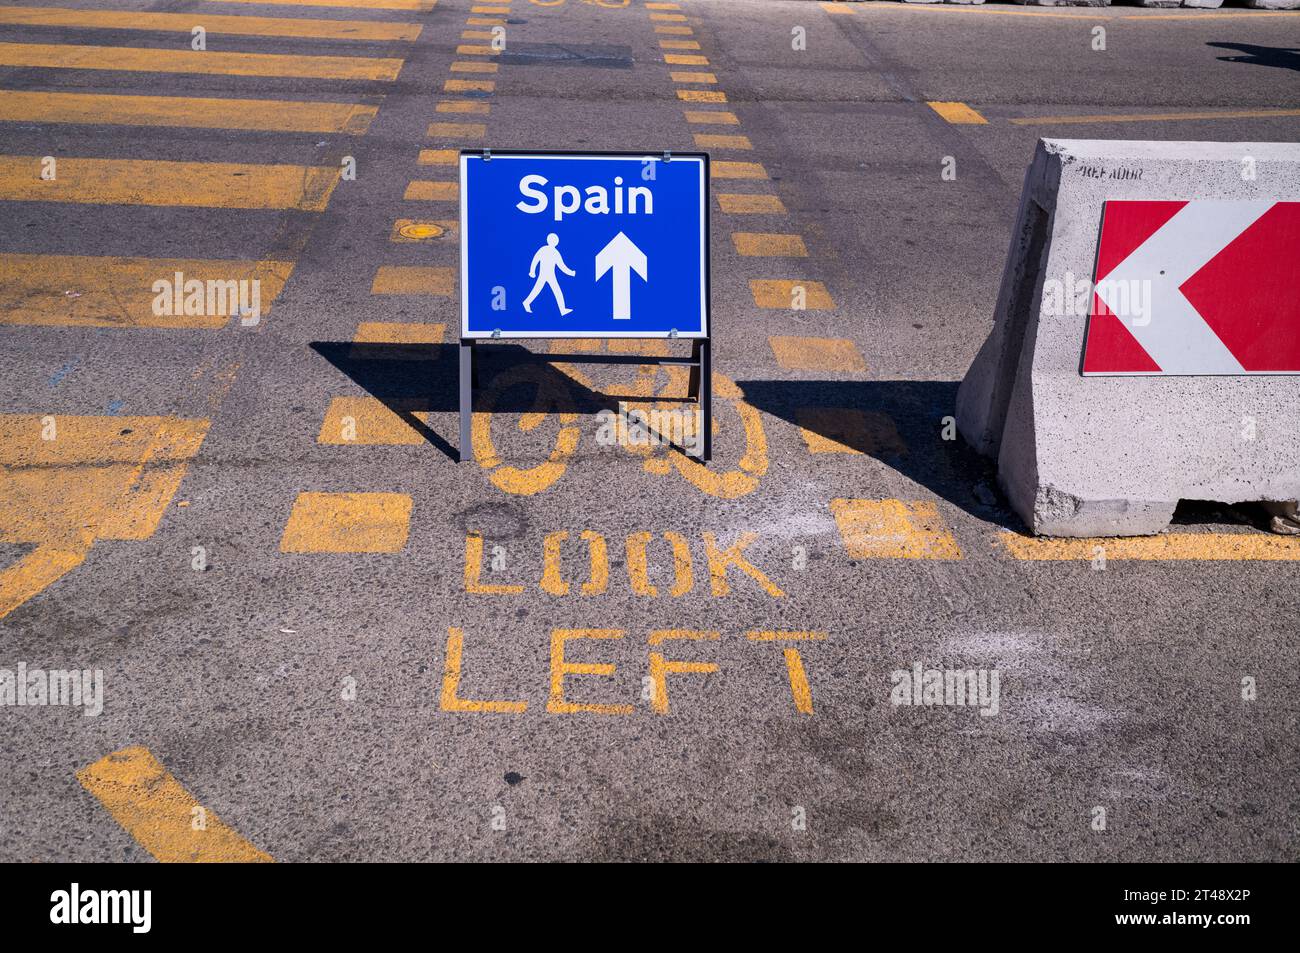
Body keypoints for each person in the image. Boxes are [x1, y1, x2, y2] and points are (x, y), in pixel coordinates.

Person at [523, 233, 575, 316]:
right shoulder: (546, 250)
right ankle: (562, 310)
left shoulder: (553, 252)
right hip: (545, 275)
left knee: (552, 291)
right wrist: (532, 271)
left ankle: (562, 309)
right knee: (551, 291)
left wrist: (571, 273)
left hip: (550, 275)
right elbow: (535, 260)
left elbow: (562, 266)